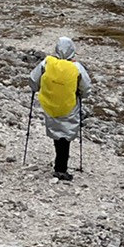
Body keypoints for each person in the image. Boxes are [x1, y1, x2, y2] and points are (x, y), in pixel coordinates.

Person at [29, 36, 90, 182]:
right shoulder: (77, 67)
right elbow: (86, 88)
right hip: (69, 106)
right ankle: (61, 168)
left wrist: (36, 89)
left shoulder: (47, 63)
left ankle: (59, 164)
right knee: (66, 135)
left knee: (56, 133)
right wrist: (81, 95)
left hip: (50, 104)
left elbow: (32, 79)